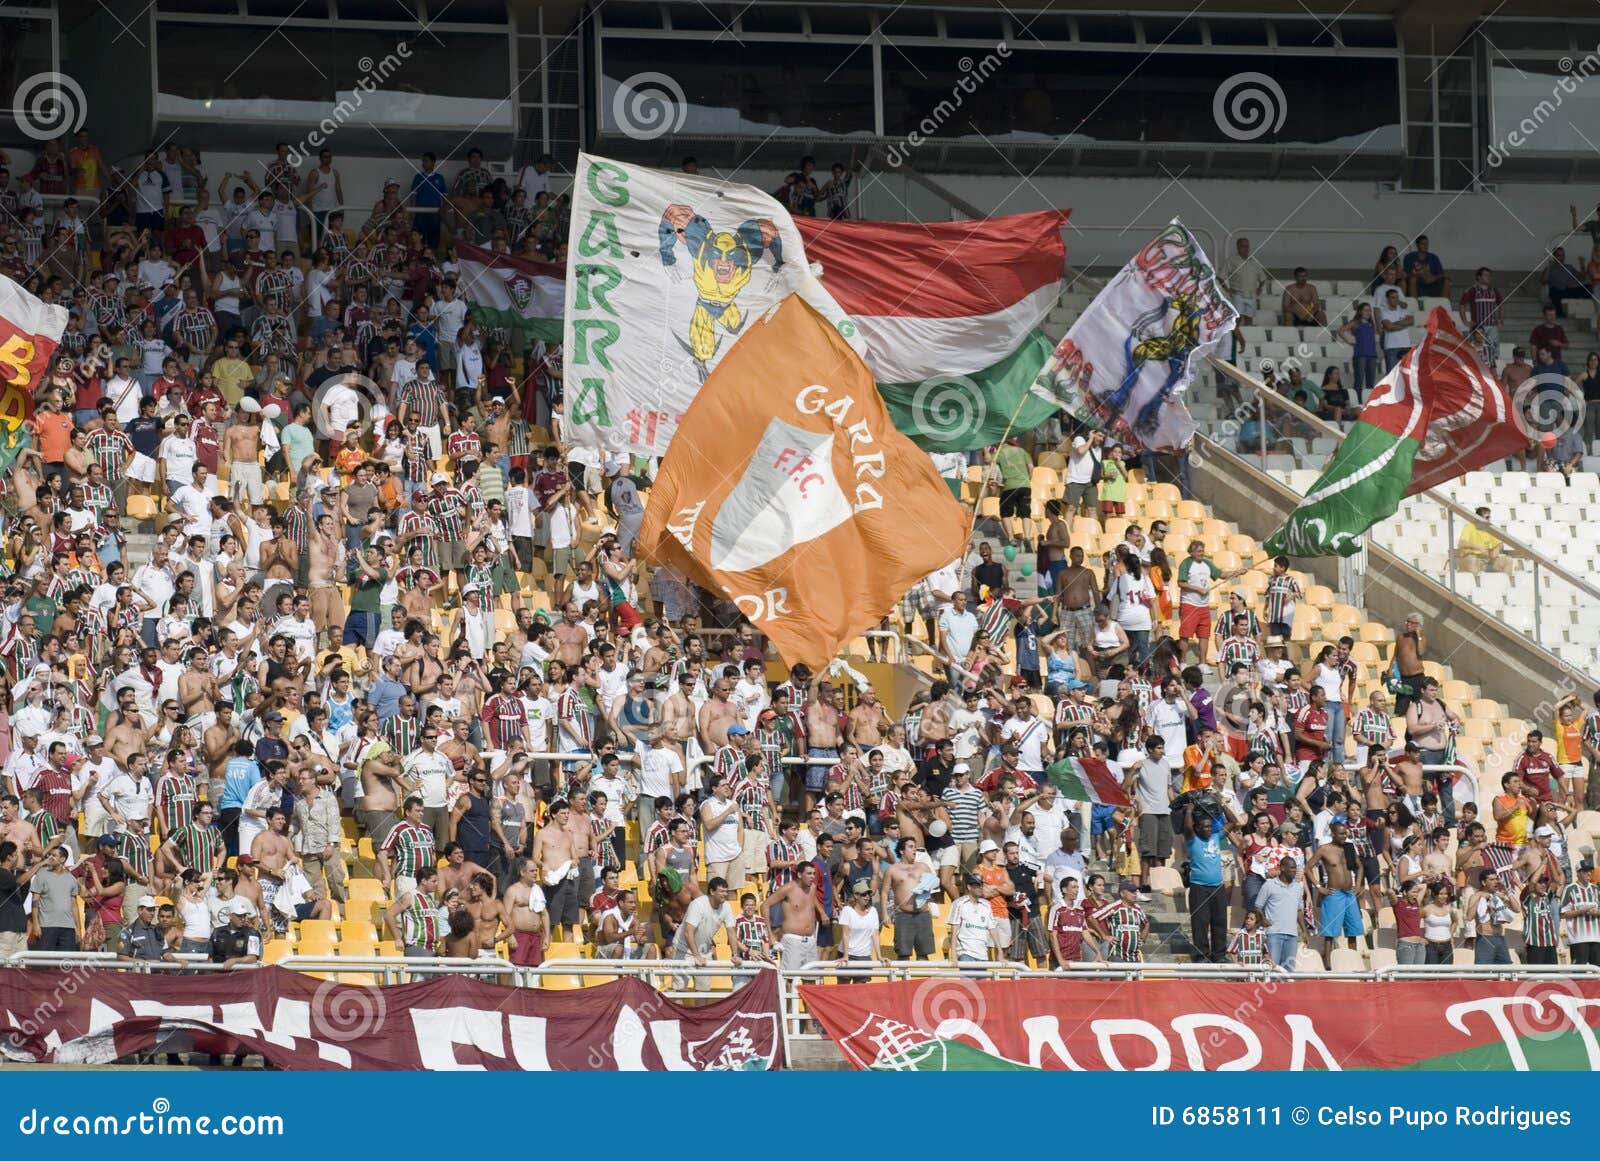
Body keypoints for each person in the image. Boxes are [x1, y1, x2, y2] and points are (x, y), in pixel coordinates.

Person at [1254, 853, 1305, 970]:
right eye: (1292, 867)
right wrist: (1263, 919)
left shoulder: (1298, 887)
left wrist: (1304, 930)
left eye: (1295, 867)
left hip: (1292, 935)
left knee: (1289, 971)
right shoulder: (1269, 885)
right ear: (1282, 868)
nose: (1295, 870)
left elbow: (1299, 910)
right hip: (1274, 934)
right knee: (1272, 970)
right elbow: (1257, 907)